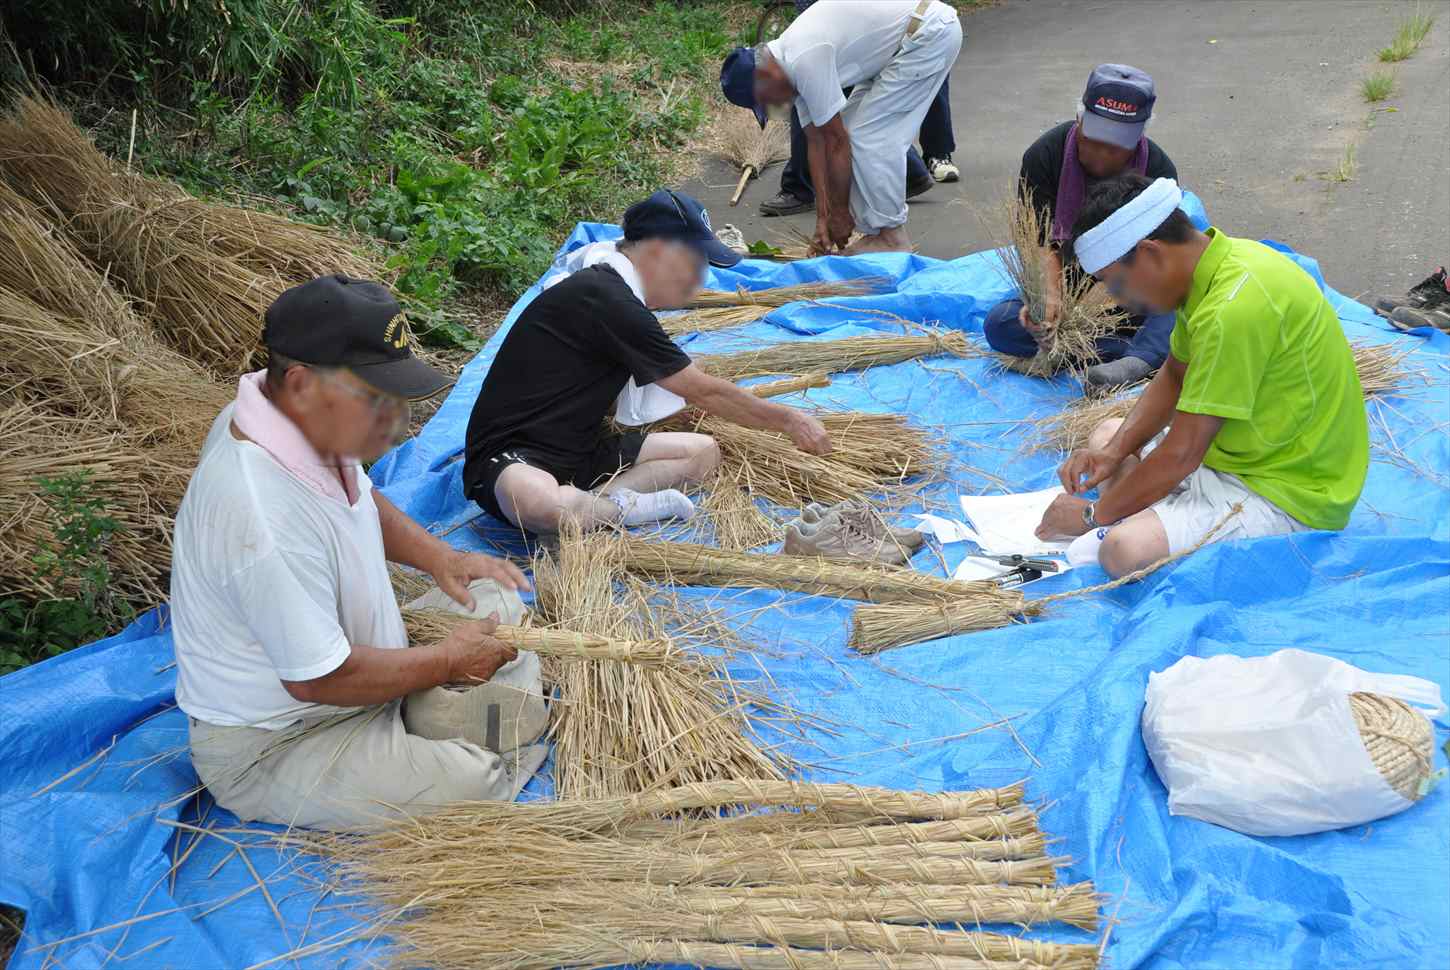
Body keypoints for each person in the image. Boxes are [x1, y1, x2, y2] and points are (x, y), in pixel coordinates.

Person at [171, 275, 541, 832]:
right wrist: (445, 663)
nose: (399, 423)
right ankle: (446, 721)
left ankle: (431, 712)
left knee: (496, 600)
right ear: (299, 383)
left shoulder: (288, 418)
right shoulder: (259, 513)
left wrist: (443, 559)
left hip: (359, 663)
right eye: (376, 399)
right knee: (475, 785)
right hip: (292, 735)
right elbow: (317, 681)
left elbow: (363, 499)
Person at [1034, 175, 1370, 578]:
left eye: (1117, 283)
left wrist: (1092, 515)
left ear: (1150, 253)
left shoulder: (1233, 310)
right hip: (1229, 457)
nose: (1121, 300)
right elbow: (1175, 374)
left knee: (1122, 552)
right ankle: (1146, 512)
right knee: (1109, 435)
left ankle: (1136, 520)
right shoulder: (1218, 266)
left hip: (1286, 491)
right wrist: (1113, 454)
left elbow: (1182, 453)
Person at [463, 189, 832, 535]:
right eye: (695, 263)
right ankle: (611, 512)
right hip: (517, 456)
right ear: (658, 250)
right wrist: (790, 420)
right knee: (537, 503)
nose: (698, 281)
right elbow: (701, 390)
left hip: (578, 450)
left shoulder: (612, 288)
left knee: (703, 454)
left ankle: (593, 510)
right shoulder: (606, 299)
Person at [983, 64, 1180, 387]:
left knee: (1178, 302)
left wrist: (1104, 300)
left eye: (1117, 145)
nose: (1103, 154)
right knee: (1001, 325)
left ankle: (1134, 357)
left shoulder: (1158, 170)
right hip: (1065, 287)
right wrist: (1049, 300)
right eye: (1096, 139)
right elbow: (1038, 243)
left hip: (1130, 290)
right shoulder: (1044, 156)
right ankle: (1135, 354)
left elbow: (1159, 259)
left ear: (1140, 134)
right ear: (1079, 118)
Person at [720, 0, 963, 254]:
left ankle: (891, 236)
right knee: (849, 129)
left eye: (767, 99)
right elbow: (817, 142)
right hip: (899, 49)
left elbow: (837, 142)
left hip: (928, 34)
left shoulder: (803, 58)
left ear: (766, 76)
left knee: (869, 138)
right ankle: (875, 233)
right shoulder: (788, 67)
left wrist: (839, 212)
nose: (775, 105)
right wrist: (823, 220)